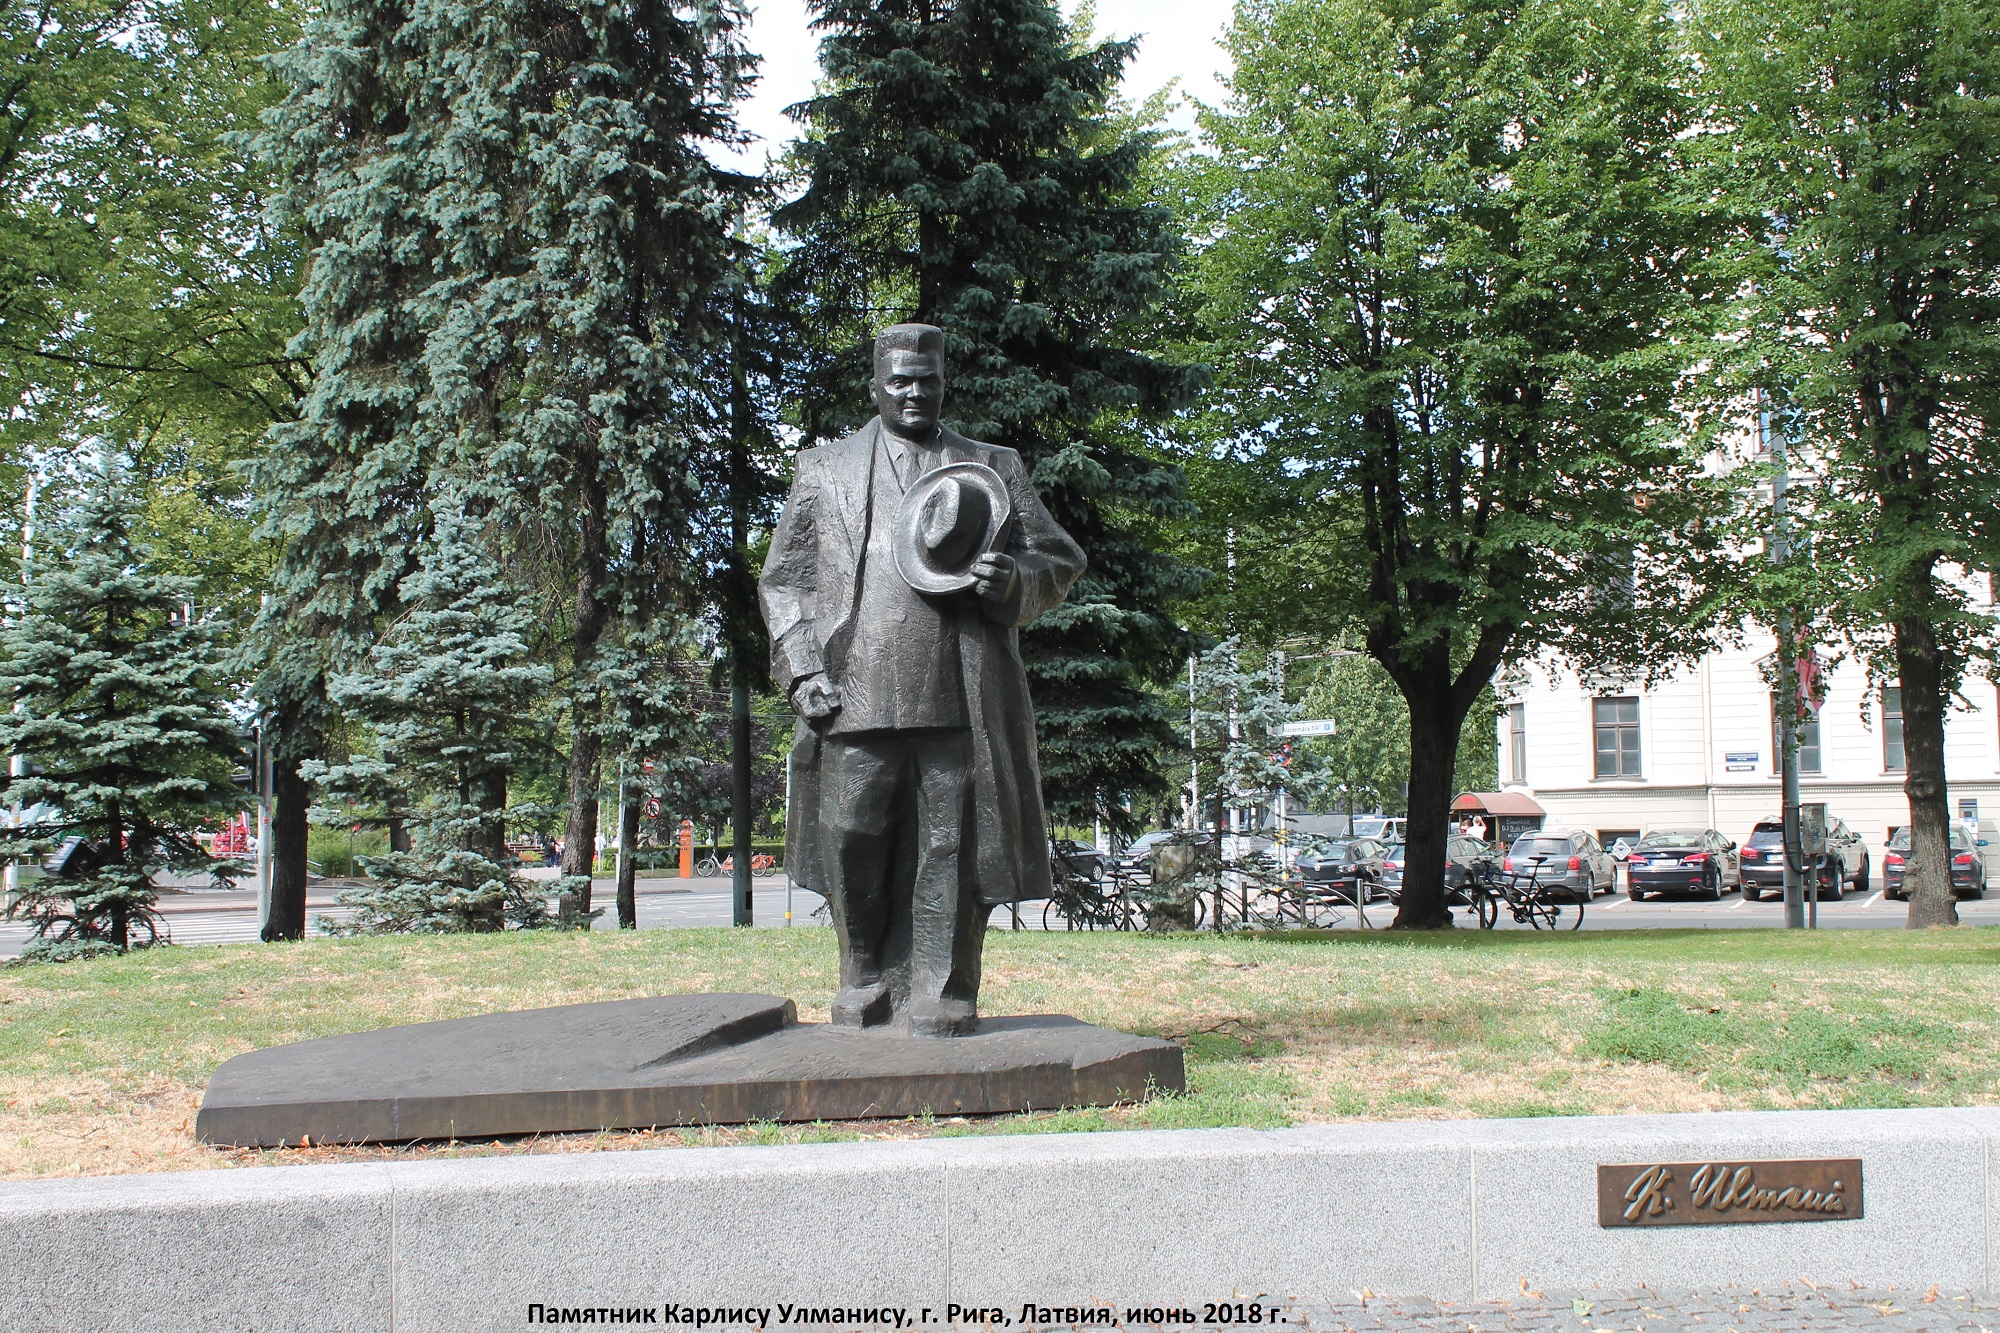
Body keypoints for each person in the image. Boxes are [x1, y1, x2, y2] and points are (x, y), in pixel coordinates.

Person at [760, 323, 1085, 1036]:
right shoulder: (826, 468)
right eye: (901, 379)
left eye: (928, 378)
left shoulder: (990, 465)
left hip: (957, 691)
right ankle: (864, 975)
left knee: (952, 840)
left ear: (945, 380)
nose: (915, 391)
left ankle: (942, 988)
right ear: (876, 382)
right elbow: (783, 582)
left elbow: (1059, 558)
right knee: (852, 832)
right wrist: (802, 668)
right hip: (855, 686)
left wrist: (1014, 582)